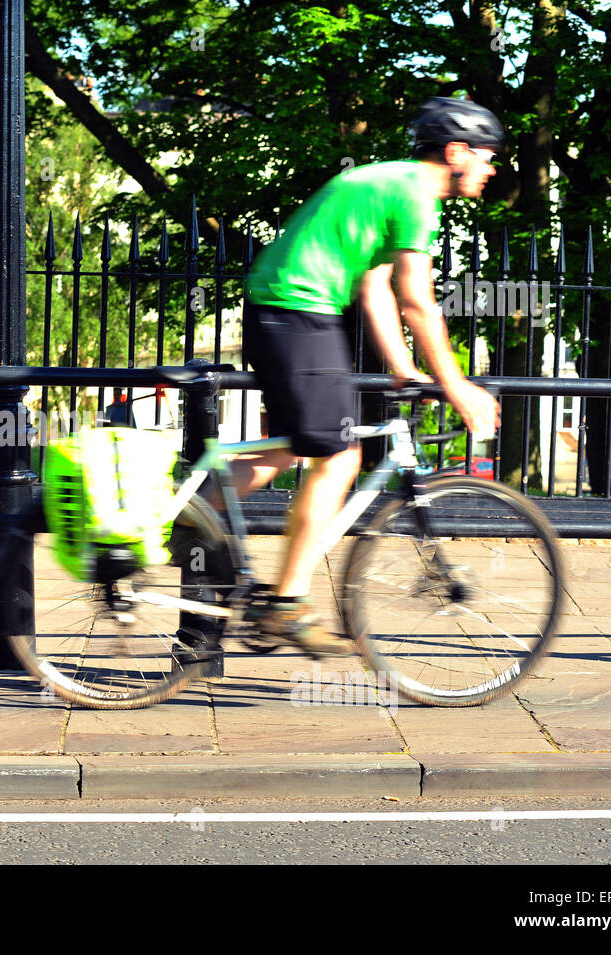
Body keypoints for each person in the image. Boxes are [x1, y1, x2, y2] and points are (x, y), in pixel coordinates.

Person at [229, 96, 504, 657]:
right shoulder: (416, 195)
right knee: (339, 455)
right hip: (295, 310)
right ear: (456, 152)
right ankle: (284, 606)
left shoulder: (392, 185)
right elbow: (418, 301)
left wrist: (404, 365)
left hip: (292, 311)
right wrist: (457, 384)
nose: (492, 168)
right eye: (487, 156)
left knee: (291, 449)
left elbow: (375, 285)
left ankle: (187, 519)